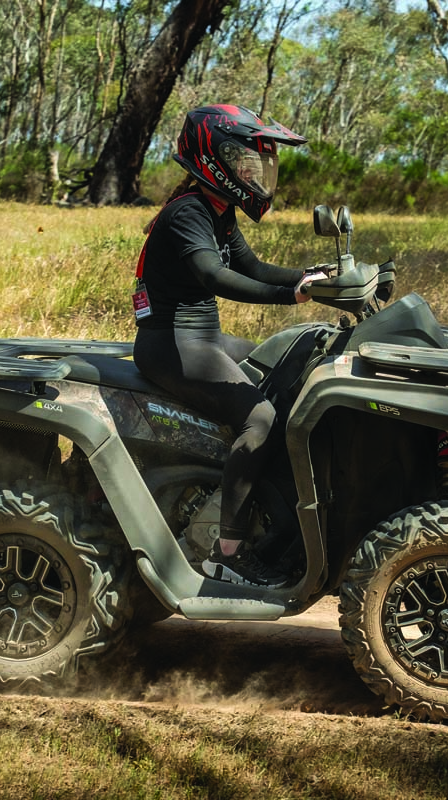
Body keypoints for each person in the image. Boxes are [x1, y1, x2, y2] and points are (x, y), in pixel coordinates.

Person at [132, 104, 326, 588]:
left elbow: (254, 268)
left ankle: (269, 511)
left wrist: (317, 277)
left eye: (258, 164)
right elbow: (215, 276)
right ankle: (229, 554)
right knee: (259, 418)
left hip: (202, 337)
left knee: (281, 366)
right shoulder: (188, 212)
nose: (254, 173)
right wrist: (291, 296)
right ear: (215, 159)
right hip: (171, 343)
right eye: (245, 162)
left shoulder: (218, 210)